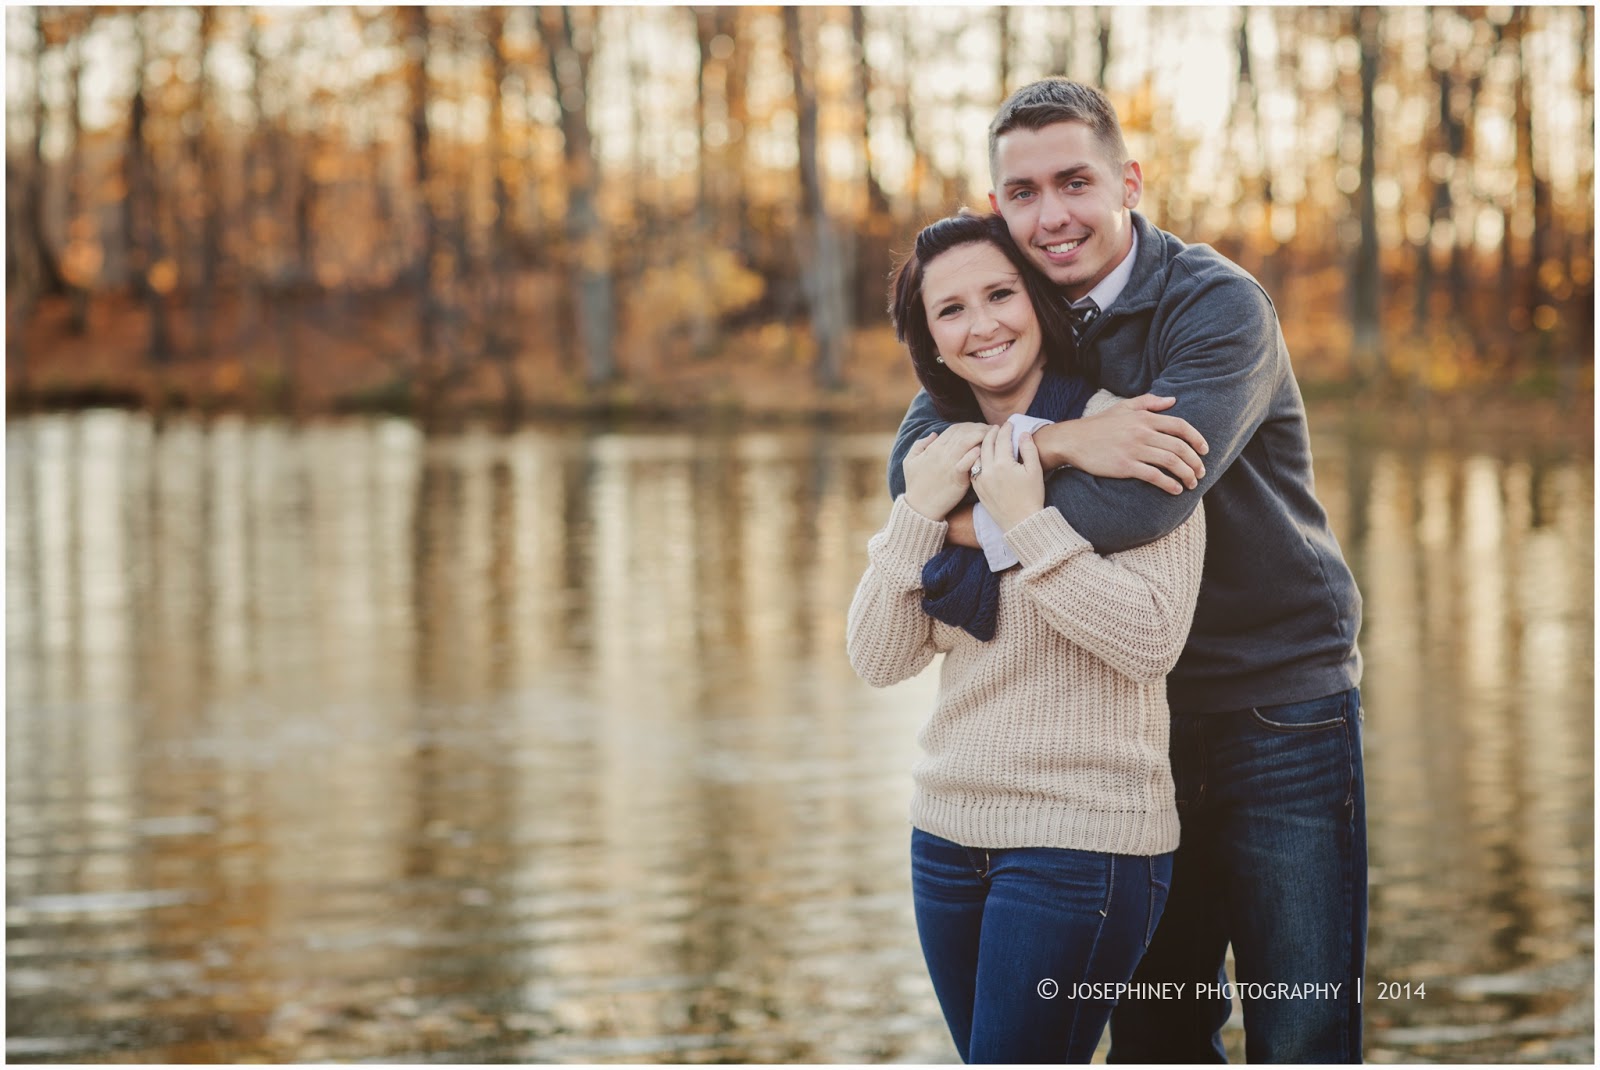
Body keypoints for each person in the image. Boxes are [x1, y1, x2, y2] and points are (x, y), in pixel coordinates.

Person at [886, 79, 1366, 1063]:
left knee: (1303, 1024)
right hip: (1124, 727)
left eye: (1075, 182)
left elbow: (1143, 503)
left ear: (1129, 183)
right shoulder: (1007, 311)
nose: (1051, 215)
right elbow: (913, 471)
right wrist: (1067, 441)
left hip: (1274, 700)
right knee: (1156, 1034)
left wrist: (978, 512)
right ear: (998, 207)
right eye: (1023, 193)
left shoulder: (1215, 305)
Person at [847, 209, 1206, 1064]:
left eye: (1000, 295)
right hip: (946, 834)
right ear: (931, 343)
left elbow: (1151, 640)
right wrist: (916, 514)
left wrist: (1027, 525)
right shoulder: (940, 462)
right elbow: (879, 657)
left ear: (1039, 303)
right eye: (951, 310)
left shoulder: (1127, 434)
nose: (983, 325)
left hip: (1083, 839)